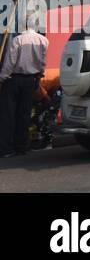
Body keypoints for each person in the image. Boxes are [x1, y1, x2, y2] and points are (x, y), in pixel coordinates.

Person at [0, 12, 50, 157]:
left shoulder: (17, 40)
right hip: (31, 81)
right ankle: (21, 147)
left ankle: (6, 149)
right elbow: (42, 63)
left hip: (13, 80)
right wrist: (38, 78)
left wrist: (1, 79)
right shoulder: (43, 41)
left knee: (8, 115)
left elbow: (10, 63)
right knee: (24, 114)